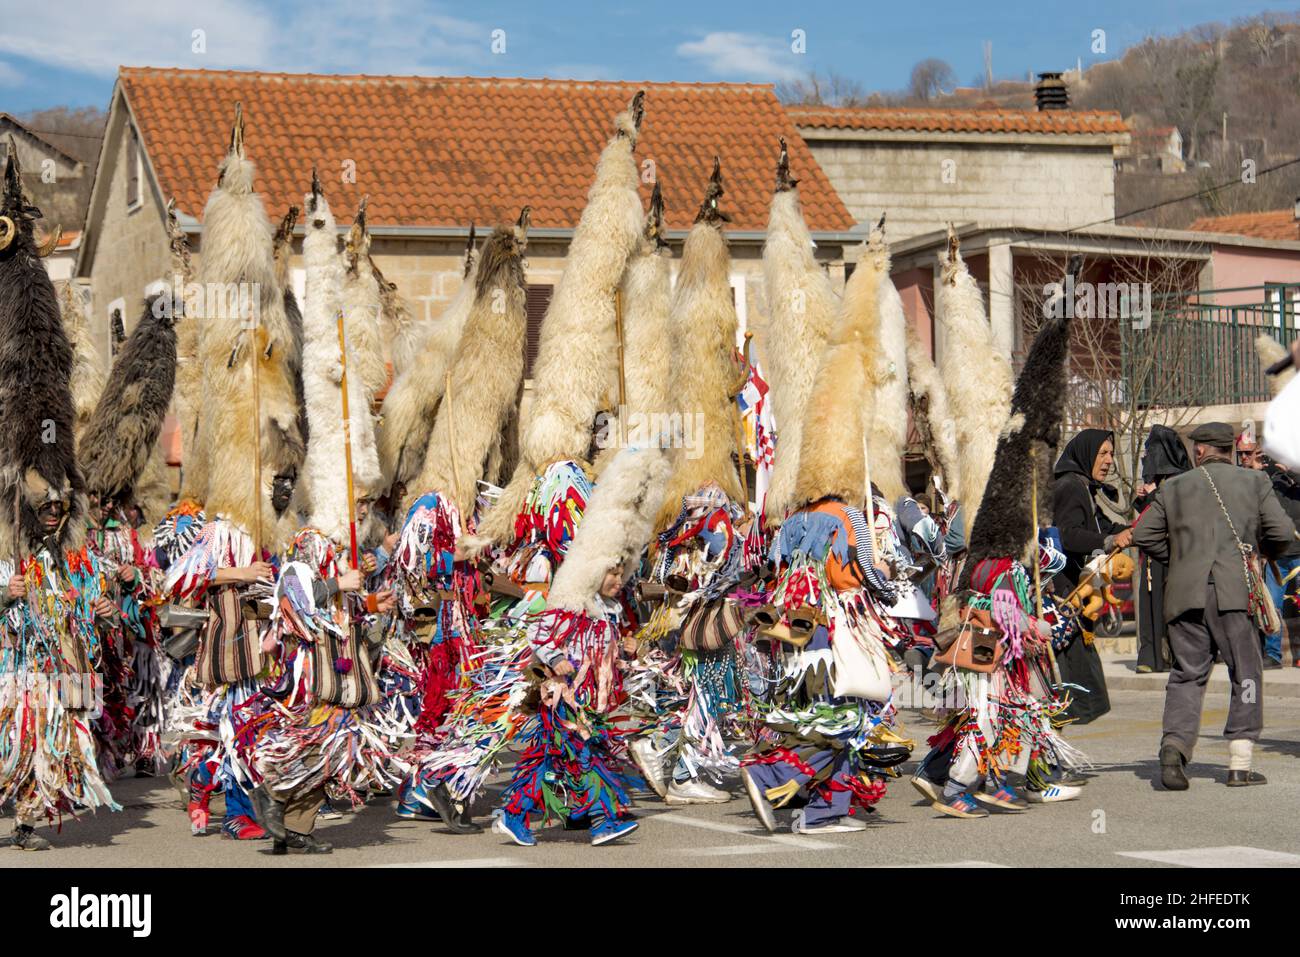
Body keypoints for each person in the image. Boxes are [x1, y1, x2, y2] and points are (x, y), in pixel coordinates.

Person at [1133, 421, 1296, 789]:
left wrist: (1181, 561)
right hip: (1234, 594)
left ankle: (1174, 749)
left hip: (1185, 594)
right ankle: (1240, 761)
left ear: (1201, 450)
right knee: (1247, 673)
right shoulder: (1254, 482)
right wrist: (1260, 553)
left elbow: (1144, 535)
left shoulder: (1173, 487)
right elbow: (1283, 533)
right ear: (1229, 449)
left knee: (1187, 674)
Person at [1050, 429, 1128, 723]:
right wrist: (1108, 541)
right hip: (1060, 592)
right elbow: (1067, 534)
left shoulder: (1084, 486)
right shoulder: (1070, 485)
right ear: (1085, 454)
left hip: (1072, 591)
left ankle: (1060, 721)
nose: (1109, 460)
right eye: (1103, 453)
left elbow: (1103, 527)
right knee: (1066, 673)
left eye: (1111, 454)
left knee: (1079, 670)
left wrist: (1127, 532)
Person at [1133, 425, 1193, 674]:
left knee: (1171, 606)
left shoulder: (1180, 482)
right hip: (1151, 555)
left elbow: (1170, 515)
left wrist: (1153, 495)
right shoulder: (1156, 483)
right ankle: (1150, 655)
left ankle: (1172, 654)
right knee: (1149, 604)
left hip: (1172, 554)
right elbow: (1148, 519)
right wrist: (1143, 498)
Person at [1257, 455, 1300, 668]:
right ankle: (1273, 654)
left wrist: (1291, 471)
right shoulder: (1272, 483)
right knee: (1272, 606)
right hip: (1278, 557)